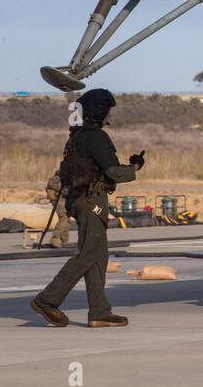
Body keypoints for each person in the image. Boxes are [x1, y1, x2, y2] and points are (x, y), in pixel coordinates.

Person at [31, 89, 144, 328]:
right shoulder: (96, 137)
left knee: (98, 256)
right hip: (90, 202)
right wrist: (134, 168)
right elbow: (113, 172)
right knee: (89, 254)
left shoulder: (77, 137)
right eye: (107, 110)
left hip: (80, 200)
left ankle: (99, 311)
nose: (108, 115)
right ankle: (47, 300)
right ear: (98, 111)